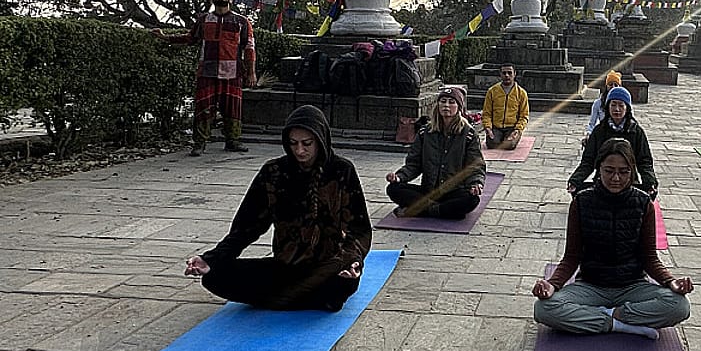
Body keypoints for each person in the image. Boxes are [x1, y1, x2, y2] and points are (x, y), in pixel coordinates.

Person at [183, 105, 371, 311]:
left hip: (328, 267)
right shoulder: (273, 172)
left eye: (307, 143)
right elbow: (246, 227)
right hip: (286, 267)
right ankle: (304, 298)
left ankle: (296, 297)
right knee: (214, 277)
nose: (300, 150)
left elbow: (359, 229)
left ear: (320, 140)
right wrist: (211, 258)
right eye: (293, 143)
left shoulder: (342, 170)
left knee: (342, 282)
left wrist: (353, 261)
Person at [532, 138, 693, 339]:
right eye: (609, 171)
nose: (616, 178)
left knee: (679, 306)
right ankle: (616, 323)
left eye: (624, 172)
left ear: (632, 171)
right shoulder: (582, 202)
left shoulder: (643, 203)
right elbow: (571, 257)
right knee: (544, 309)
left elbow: (650, 258)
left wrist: (671, 282)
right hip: (591, 286)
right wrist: (552, 284)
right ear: (598, 169)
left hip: (632, 286)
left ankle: (609, 316)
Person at [154, 0, 257, 156]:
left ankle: (233, 141)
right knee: (203, 108)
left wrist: (251, 72)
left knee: (232, 108)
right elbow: (190, 38)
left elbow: (249, 47)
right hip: (207, 71)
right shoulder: (203, 19)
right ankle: (199, 143)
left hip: (233, 72)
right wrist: (165, 38)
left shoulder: (241, 21)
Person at [385, 87, 486, 219]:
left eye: (451, 102)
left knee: (471, 200)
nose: (446, 105)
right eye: (443, 101)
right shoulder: (425, 132)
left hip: (454, 192)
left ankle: (423, 210)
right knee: (393, 189)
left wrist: (476, 184)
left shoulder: (469, 134)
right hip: (428, 191)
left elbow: (475, 166)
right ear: (437, 105)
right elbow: (413, 165)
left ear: (459, 107)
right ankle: (443, 211)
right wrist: (399, 177)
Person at [568, 86, 657, 197]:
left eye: (621, 105)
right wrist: (575, 180)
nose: (617, 109)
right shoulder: (599, 131)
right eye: (613, 104)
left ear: (627, 108)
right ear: (607, 107)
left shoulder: (636, 132)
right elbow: (588, 161)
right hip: (603, 181)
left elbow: (645, 162)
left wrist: (650, 182)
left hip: (629, 182)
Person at [481, 64, 529, 150]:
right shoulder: (492, 91)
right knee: (492, 144)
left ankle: (511, 137)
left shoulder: (521, 93)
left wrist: (517, 130)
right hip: (496, 127)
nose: (507, 75)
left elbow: (524, 116)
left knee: (509, 145)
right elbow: (486, 113)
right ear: (500, 74)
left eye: (510, 73)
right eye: (504, 73)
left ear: (515, 74)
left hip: (512, 127)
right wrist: (488, 128)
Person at [583, 70, 622, 146]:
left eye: (616, 85)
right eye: (610, 84)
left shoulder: (623, 104)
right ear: (606, 86)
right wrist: (588, 134)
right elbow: (592, 123)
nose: (613, 87)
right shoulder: (598, 103)